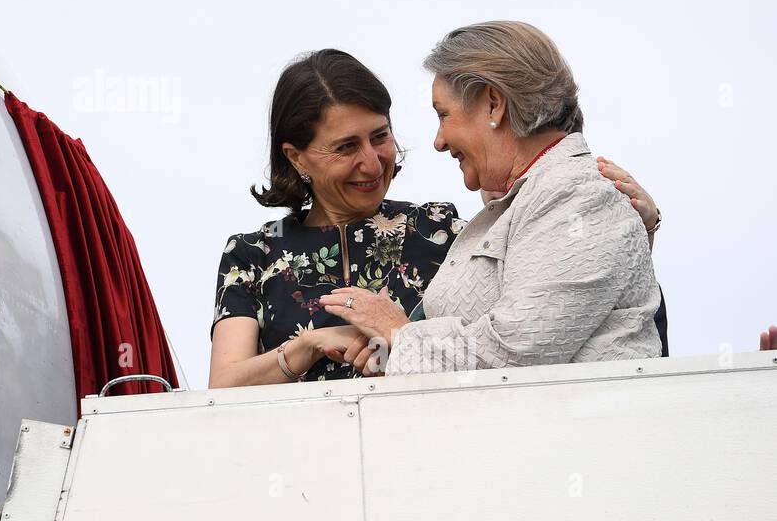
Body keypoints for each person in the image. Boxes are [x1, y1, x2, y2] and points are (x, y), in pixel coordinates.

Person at [208, 45, 662, 388]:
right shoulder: (252, 255)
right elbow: (221, 391)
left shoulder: (441, 231)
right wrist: (305, 348)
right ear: (297, 158)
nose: (372, 162)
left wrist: (637, 235)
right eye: (346, 147)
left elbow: (556, 306)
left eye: (380, 137)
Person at [326, 21, 661, 375]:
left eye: (444, 115)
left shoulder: (580, 197)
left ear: (493, 105)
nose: (438, 141)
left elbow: (516, 350)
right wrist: (390, 350)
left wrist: (399, 332)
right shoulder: (533, 198)